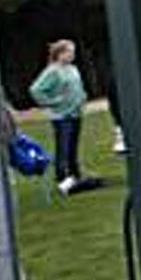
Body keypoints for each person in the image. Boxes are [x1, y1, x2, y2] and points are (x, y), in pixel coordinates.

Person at [29, 39, 101, 195]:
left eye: (73, 52)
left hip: (75, 113)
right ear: (60, 54)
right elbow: (36, 90)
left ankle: (76, 175)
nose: (72, 55)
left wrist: (82, 96)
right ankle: (63, 177)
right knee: (63, 147)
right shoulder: (52, 71)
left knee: (73, 146)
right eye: (69, 52)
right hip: (61, 116)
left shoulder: (73, 68)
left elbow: (77, 87)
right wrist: (53, 101)